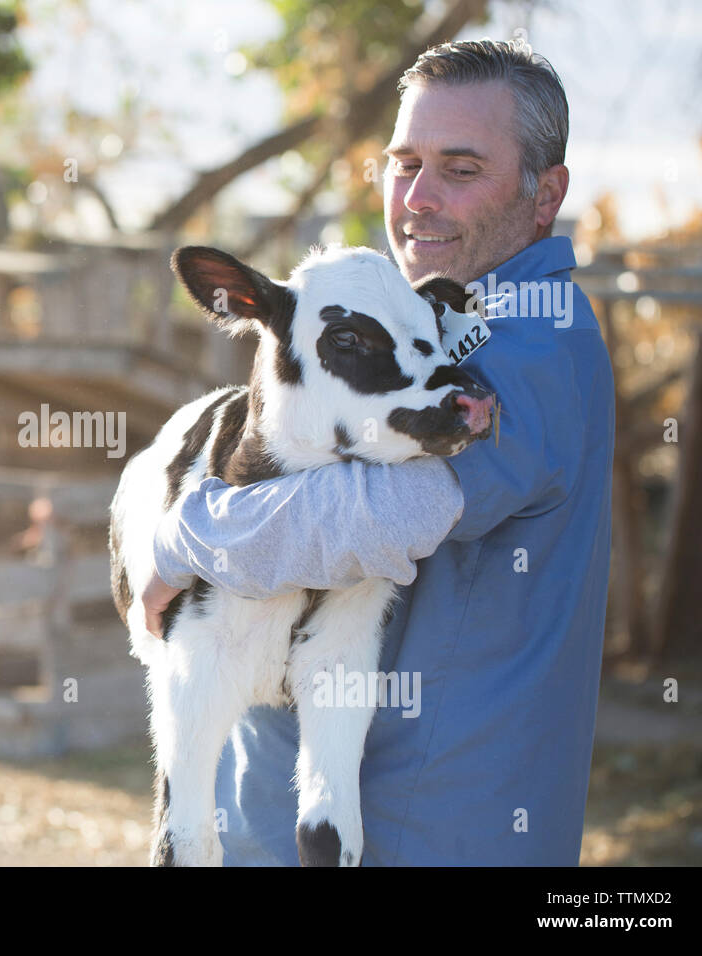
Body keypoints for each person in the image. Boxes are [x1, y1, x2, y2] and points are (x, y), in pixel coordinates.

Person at [140, 39, 615, 865]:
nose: (417, 199)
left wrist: (185, 532)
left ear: (546, 196)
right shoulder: (399, 316)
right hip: (277, 824)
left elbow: (381, 515)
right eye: (404, 164)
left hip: (427, 831)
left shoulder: (535, 342)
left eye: (460, 170)